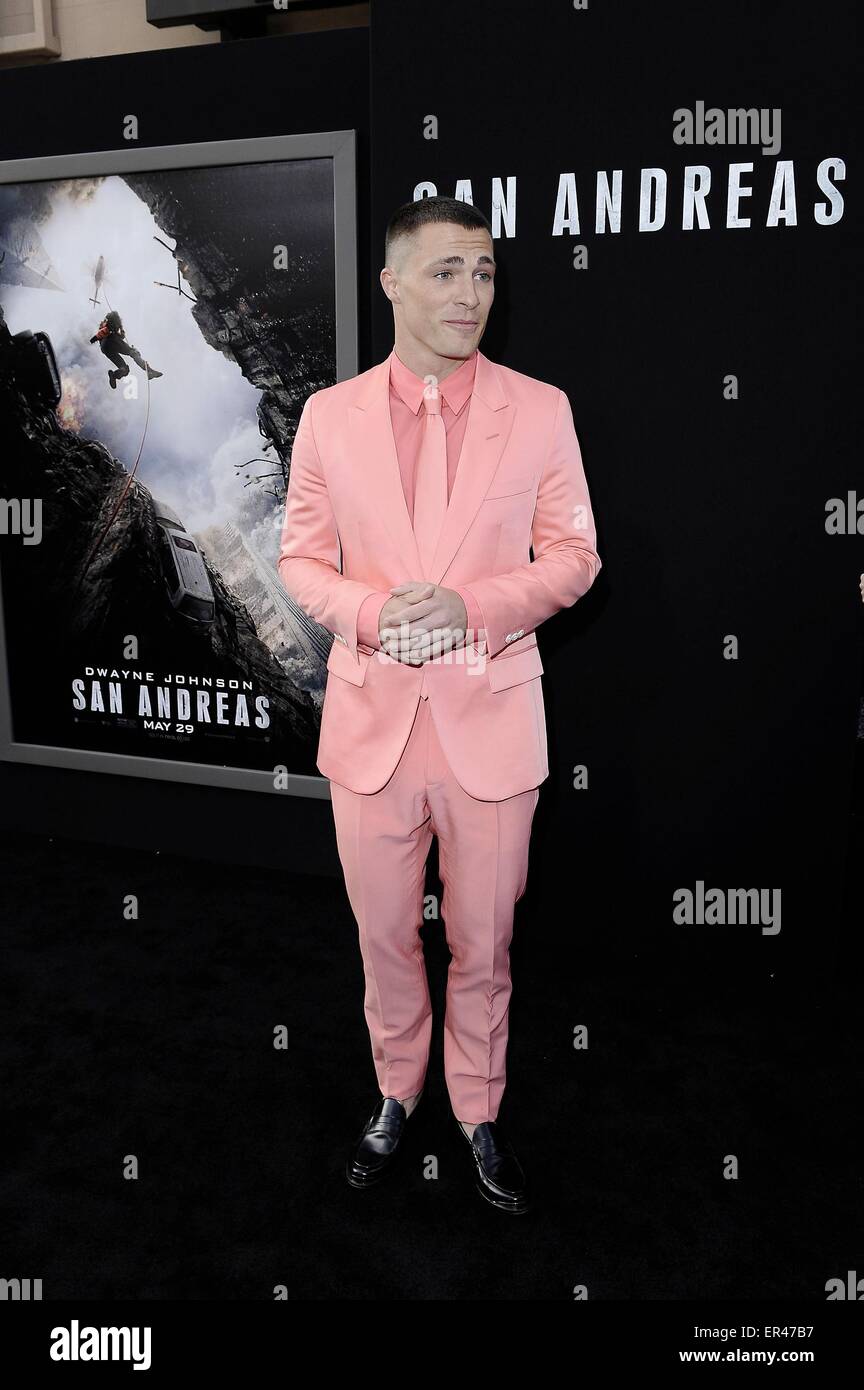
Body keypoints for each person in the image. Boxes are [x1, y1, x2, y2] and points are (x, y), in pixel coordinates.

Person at [277, 195, 602, 1213]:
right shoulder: (330, 416)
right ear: (391, 283)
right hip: (371, 729)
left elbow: (577, 558)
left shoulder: (541, 409)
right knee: (384, 937)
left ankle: (477, 1103)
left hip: (493, 722)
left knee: (484, 939)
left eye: (486, 273)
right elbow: (299, 560)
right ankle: (394, 1089)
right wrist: (376, 614)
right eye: (448, 272)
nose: (472, 294)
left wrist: (470, 608)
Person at [89, 310, 162, 388]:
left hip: (105, 349)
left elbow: (104, 335)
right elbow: (109, 331)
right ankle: (149, 371)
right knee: (133, 352)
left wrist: (93, 339)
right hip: (111, 340)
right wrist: (120, 328)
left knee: (124, 368)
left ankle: (114, 375)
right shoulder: (109, 325)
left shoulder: (104, 326)